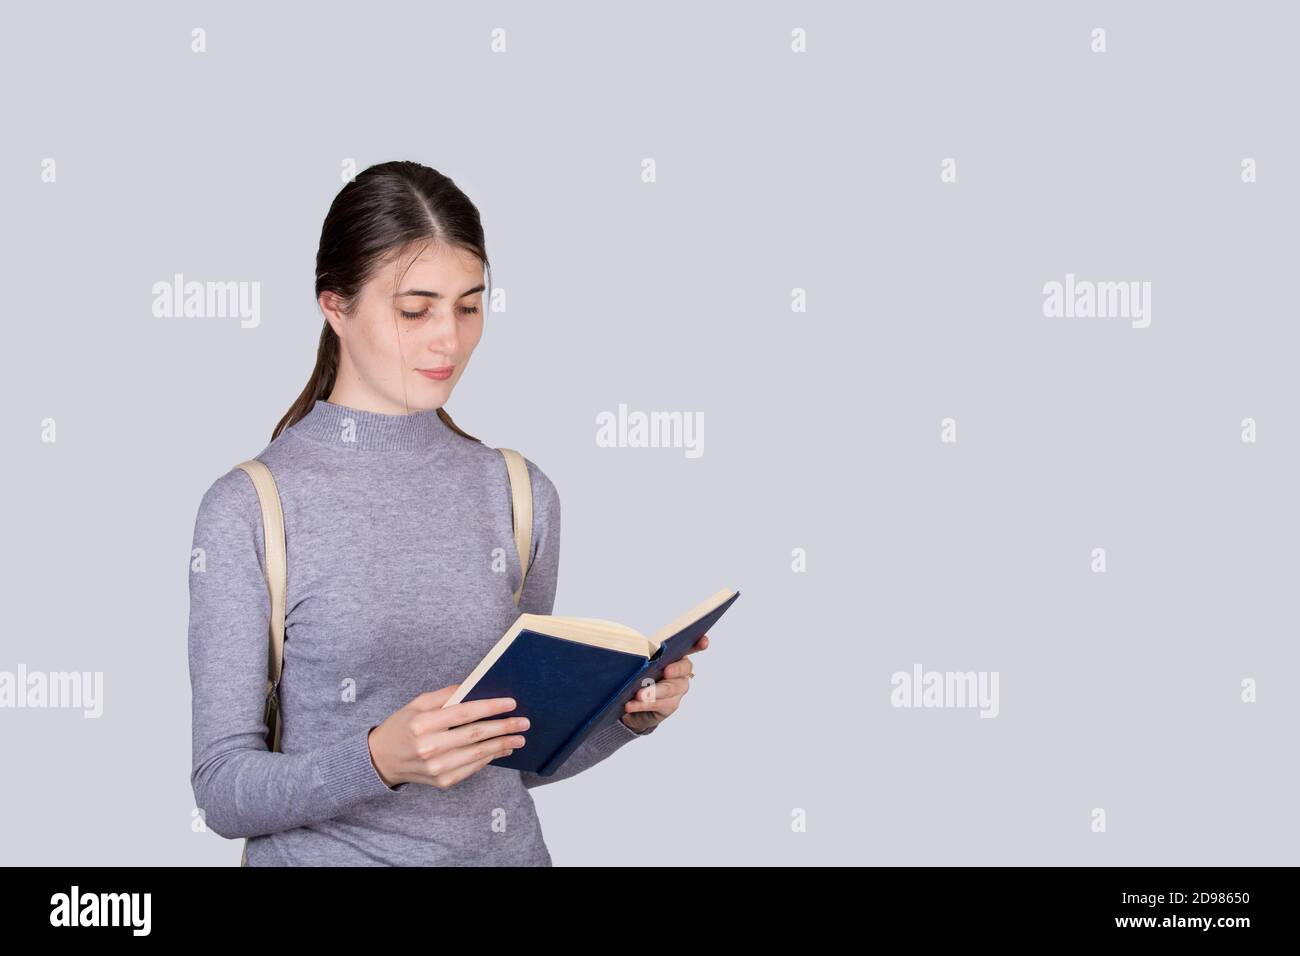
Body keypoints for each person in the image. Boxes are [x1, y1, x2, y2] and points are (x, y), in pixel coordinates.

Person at [187, 160, 707, 865]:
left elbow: (513, 758)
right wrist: (379, 759)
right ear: (334, 306)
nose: (450, 340)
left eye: (469, 305)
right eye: (415, 309)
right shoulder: (250, 507)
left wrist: (622, 716)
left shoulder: (521, 493)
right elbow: (223, 791)